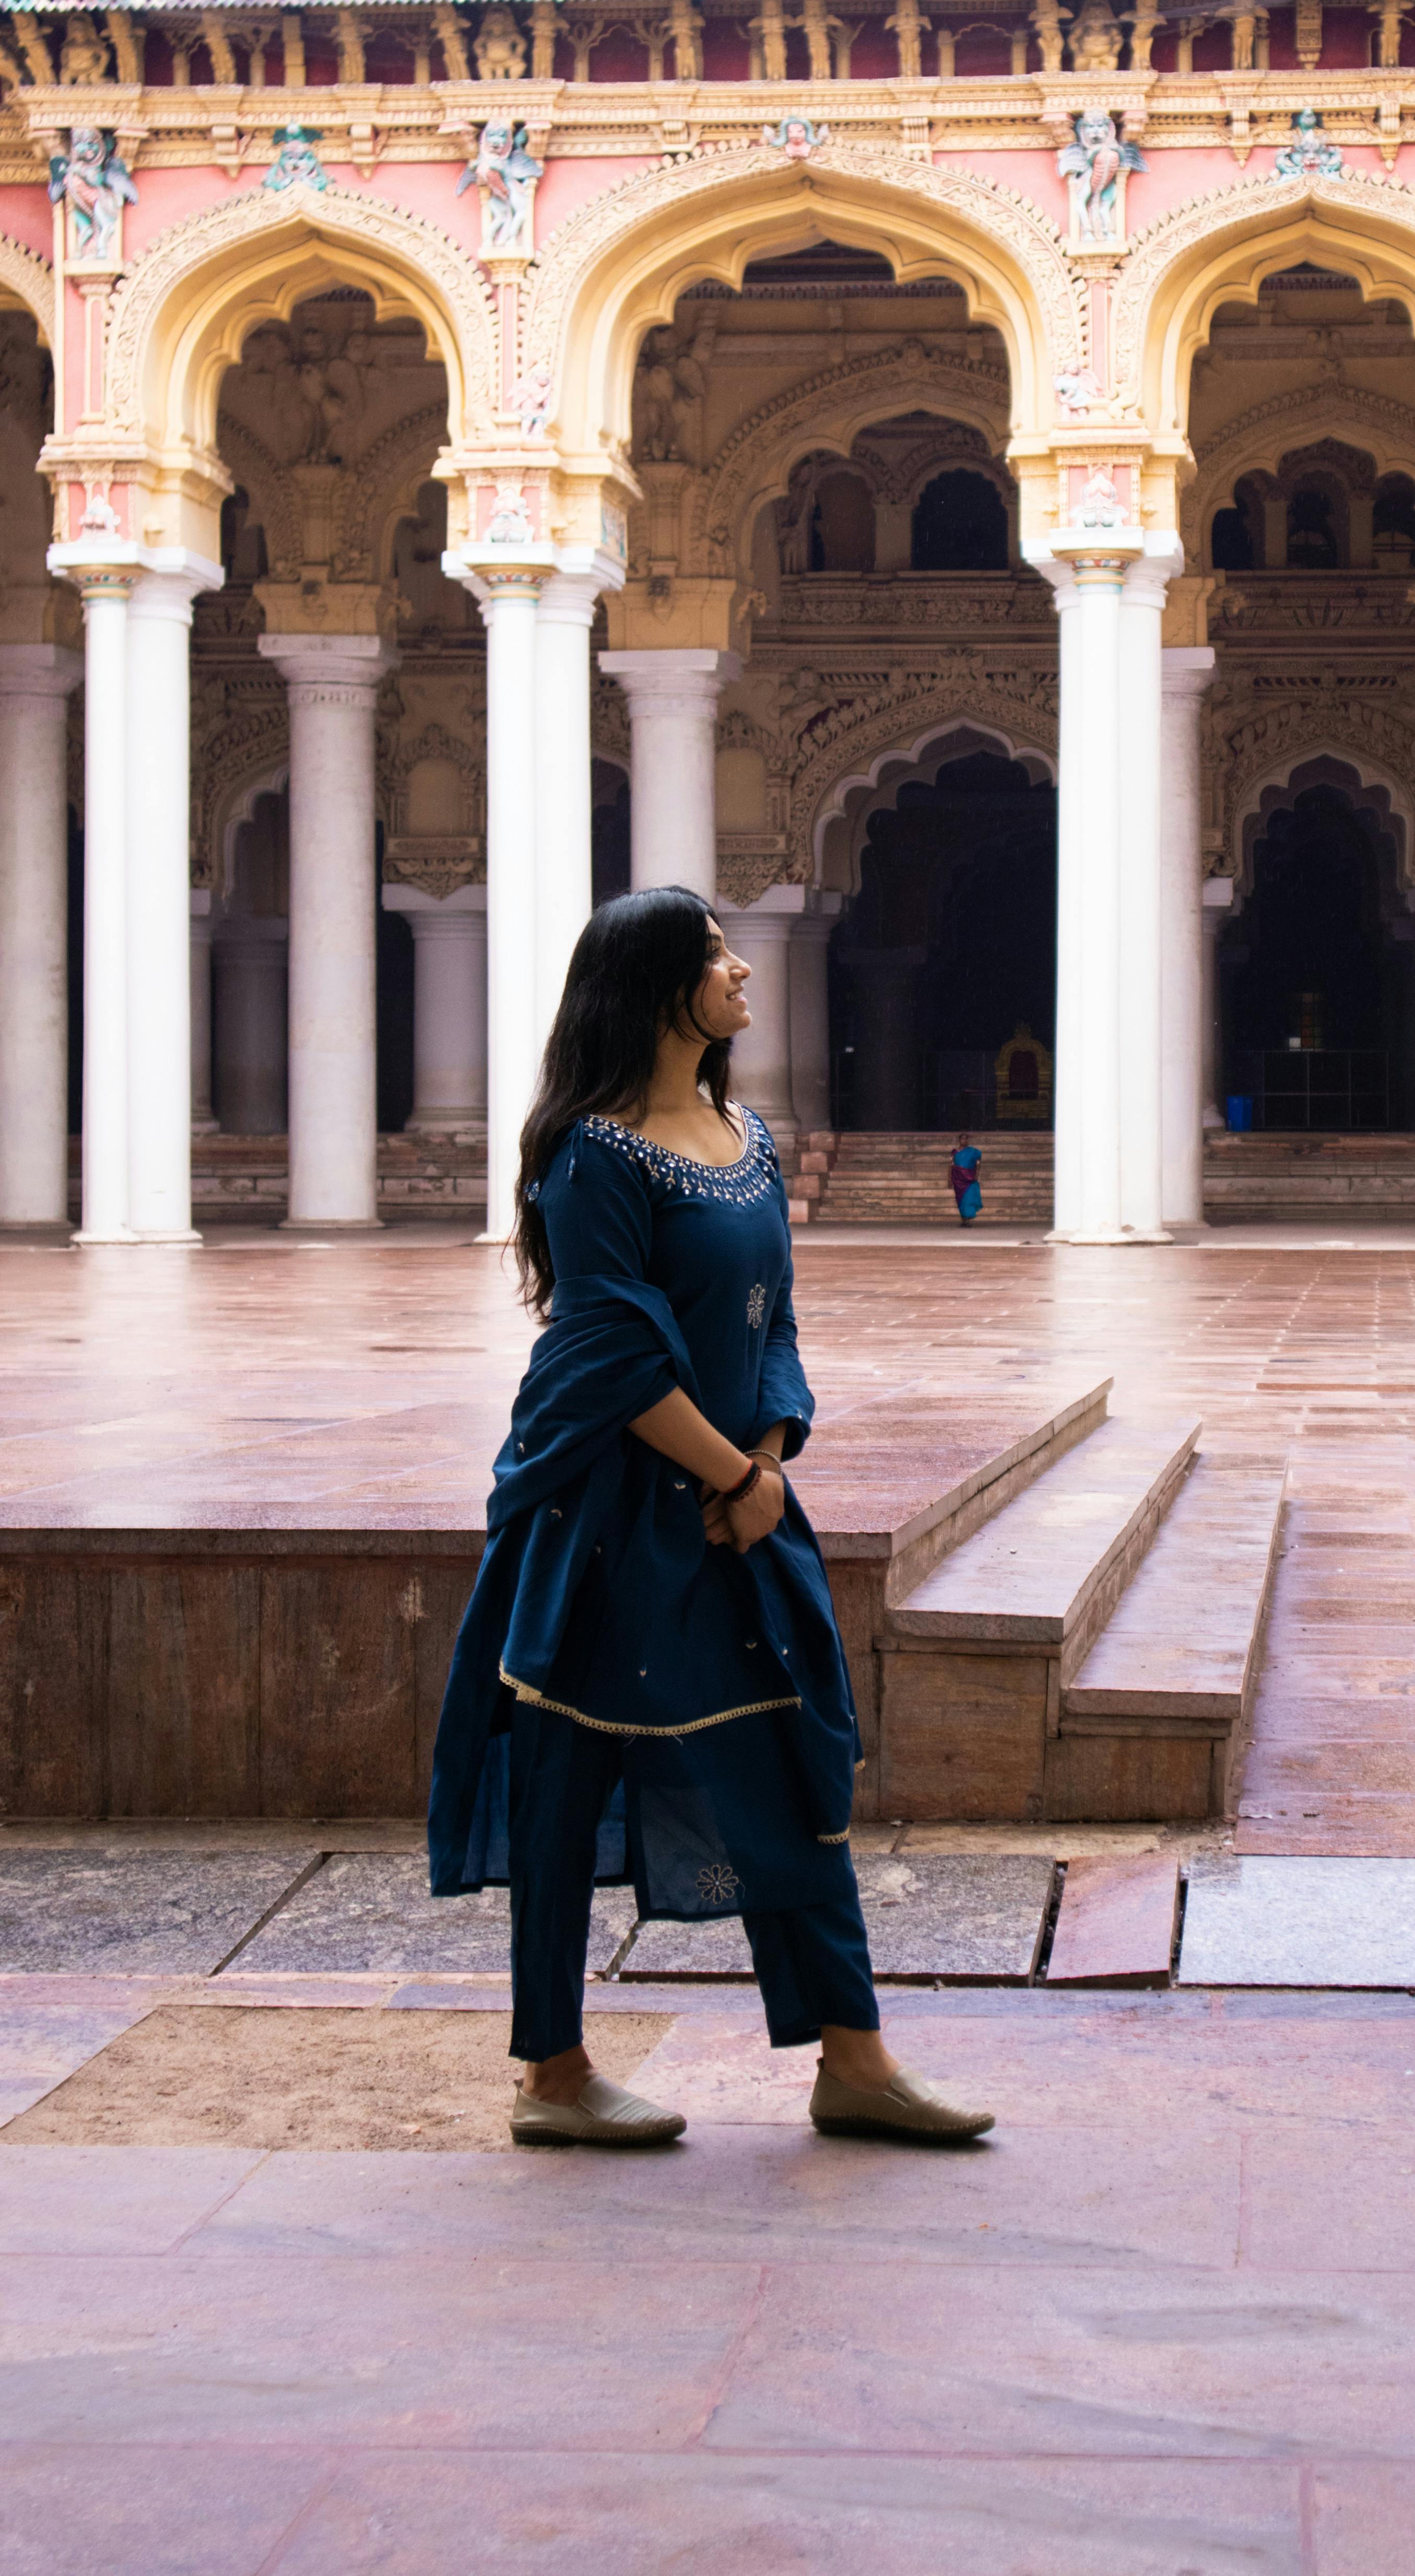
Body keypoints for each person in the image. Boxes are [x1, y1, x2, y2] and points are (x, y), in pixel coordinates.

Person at [429, 887, 994, 2151]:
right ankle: (553, 2074)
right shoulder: (593, 1154)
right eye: (714, 955)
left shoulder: (748, 1138)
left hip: (743, 1502)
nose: (742, 970)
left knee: (791, 1762)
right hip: (607, 1518)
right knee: (562, 1786)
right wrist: (733, 1481)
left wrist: (768, 1459)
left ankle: (854, 2060)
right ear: (651, 989)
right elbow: (610, 1351)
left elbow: (774, 1318)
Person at [948, 1133, 984, 1226]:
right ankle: (963, 1219)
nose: (964, 1140)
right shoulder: (955, 1152)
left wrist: (976, 1175)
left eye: (966, 1139)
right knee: (960, 1199)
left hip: (969, 1179)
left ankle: (967, 1219)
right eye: (963, 1139)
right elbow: (951, 1166)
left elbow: (978, 1164)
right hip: (958, 1179)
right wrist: (949, 1179)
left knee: (968, 1199)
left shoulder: (973, 1152)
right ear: (959, 1140)